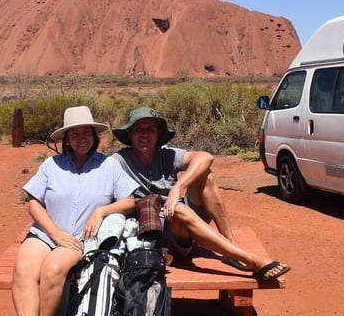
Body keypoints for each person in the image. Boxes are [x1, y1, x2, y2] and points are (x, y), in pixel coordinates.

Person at [6, 106, 140, 316]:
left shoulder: (109, 165)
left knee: (54, 270)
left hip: (80, 239)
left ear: (94, 135)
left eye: (86, 133)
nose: (81, 138)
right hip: (48, 233)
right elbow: (32, 201)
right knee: (24, 268)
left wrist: (101, 211)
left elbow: (130, 201)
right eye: (74, 133)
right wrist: (54, 233)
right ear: (66, 138)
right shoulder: (52, 165)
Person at [111, 106, 291, 282]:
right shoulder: (119, 161)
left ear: (158, 134)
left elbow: (206, 157)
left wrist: (177, 188)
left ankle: (231, 246)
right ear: (129, 134)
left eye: (150, 129)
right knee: (180, 210)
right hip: (158, 232)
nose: (145, 134)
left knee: (206, 176)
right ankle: (249, 259)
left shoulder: (166, 155)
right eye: (138, 130)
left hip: (182, 222)